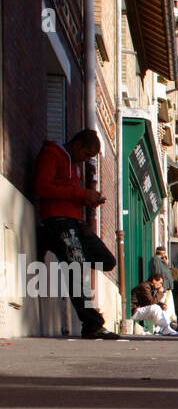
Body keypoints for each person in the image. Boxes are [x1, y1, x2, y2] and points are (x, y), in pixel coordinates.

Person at [33, 129, 119, 339]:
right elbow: (41, 187)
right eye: (87, 154)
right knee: (76, 266)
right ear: (77, 144)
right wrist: (81, 194)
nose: (86, 160)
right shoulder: (51, 154)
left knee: (106, 260)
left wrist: (86, 200)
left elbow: (69, 194)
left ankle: (53, 243)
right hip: (58, 219)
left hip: (75, 222)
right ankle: (92, 324)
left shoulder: (74, 166)